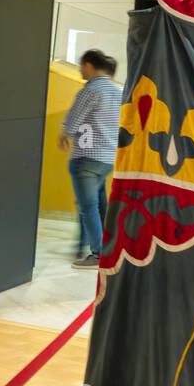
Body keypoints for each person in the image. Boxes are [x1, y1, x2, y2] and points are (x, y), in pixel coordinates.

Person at [58, 49, 123, 269]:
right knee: (101, 206)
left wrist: (65, 133)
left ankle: (98, 254)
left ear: (88, 65)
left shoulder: (92, 89)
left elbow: (75, 117)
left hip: (86, 157)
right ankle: (109, 248)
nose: (79, 70)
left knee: (87, 207)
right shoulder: (119, 91)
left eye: (81, 66)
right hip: (107, 158)